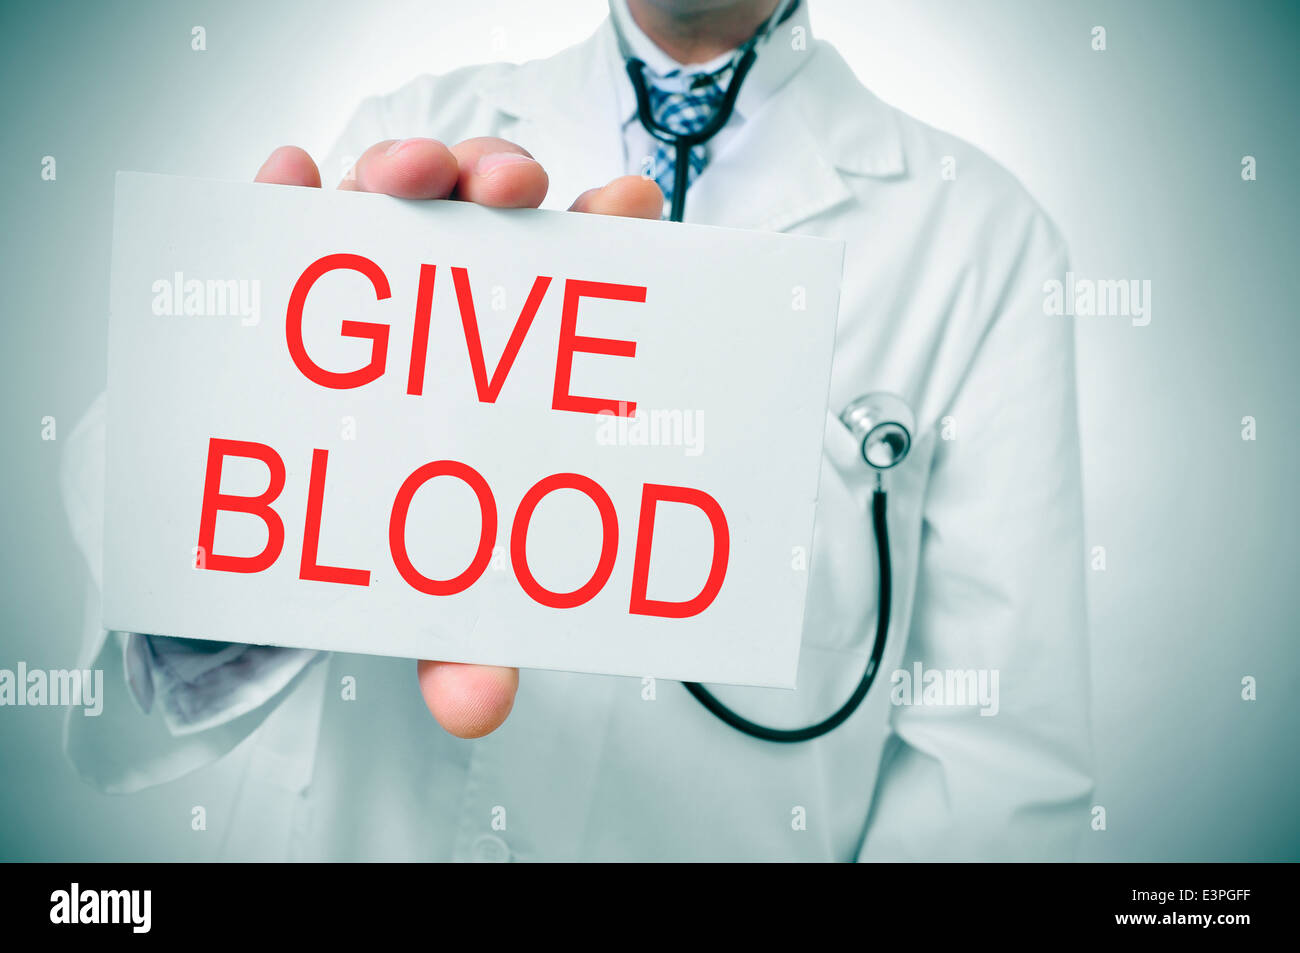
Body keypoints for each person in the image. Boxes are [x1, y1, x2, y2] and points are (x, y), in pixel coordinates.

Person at [59, 0, 1093, 861]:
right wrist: (213, 532)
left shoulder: (977, 239)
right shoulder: (416, 129)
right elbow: (154, 504)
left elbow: (995, 770)